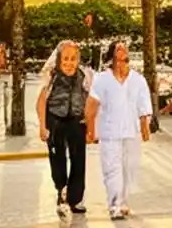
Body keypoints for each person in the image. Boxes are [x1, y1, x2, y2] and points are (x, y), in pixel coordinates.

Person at [86, 42, 153, 221]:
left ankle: (123, 202)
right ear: (112, 58)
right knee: (112, 169)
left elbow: (144, 104)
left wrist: (145, 126)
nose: (122, 61)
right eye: (118, 55)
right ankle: (114, 205)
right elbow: (92, 104)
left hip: (131, 132)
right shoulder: (102, 79)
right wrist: (90, 129)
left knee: (128, 169)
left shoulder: (138, 80)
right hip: (110, 133)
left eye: (125, 57)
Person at [37, 40, 93, 216]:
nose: (69, 63)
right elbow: (41, 102)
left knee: (79, 161)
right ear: (60, 60)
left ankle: (75, 199)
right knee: (57, 160)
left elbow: (91, 103)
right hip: (55, 120)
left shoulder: (86, 76)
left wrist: (91, 128)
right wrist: (42, 126)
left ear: (78, 60)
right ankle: (61, 191)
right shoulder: (51, 76)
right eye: (65, 59)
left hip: (77, 120)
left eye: (73, 59)